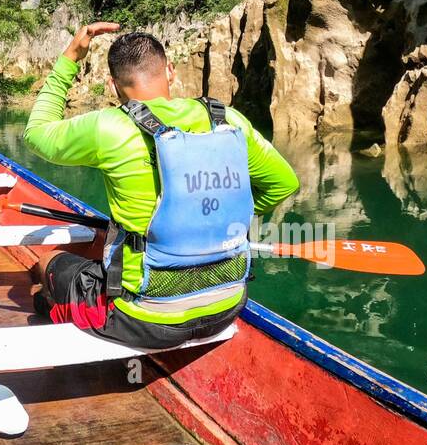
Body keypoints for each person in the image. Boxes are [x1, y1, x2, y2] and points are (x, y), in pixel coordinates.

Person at [24, 22, 299, 349]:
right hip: (229, 306)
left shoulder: (109, 127)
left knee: (46, 263)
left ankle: (56, 312)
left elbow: (36, 133)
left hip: (143, 319)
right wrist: (223, 217)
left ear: (114, 86)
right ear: (170, 71)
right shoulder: (227, 120)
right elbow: (285, 183)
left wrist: (71, 56)